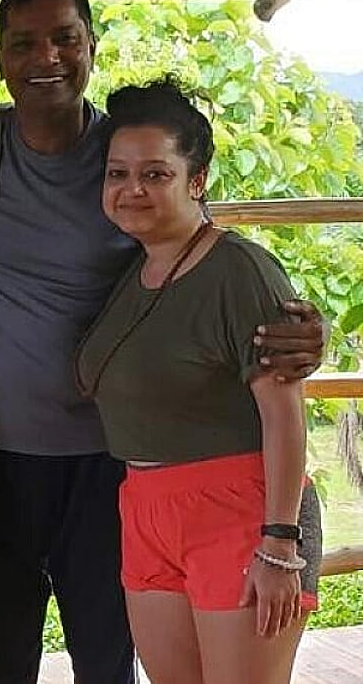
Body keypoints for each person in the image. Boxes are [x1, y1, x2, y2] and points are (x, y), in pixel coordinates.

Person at [0, 0, 326, 683]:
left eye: (66, 38)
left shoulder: (124, 150)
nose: (48, 58)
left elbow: (209, 265)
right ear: (0, 55)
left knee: (107, 653)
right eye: (25, 43)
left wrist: (303, 332)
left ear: (91, 46)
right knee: (2, 650)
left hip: (112, 460)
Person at [75, 79, 321, 684]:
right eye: (117, 173)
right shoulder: (135, 273)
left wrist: (280, 543)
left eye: (156, 174)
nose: (132, 188)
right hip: (146, 508)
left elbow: (285, 415)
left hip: (244, 511)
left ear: (197, 180)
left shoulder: (238, 269)